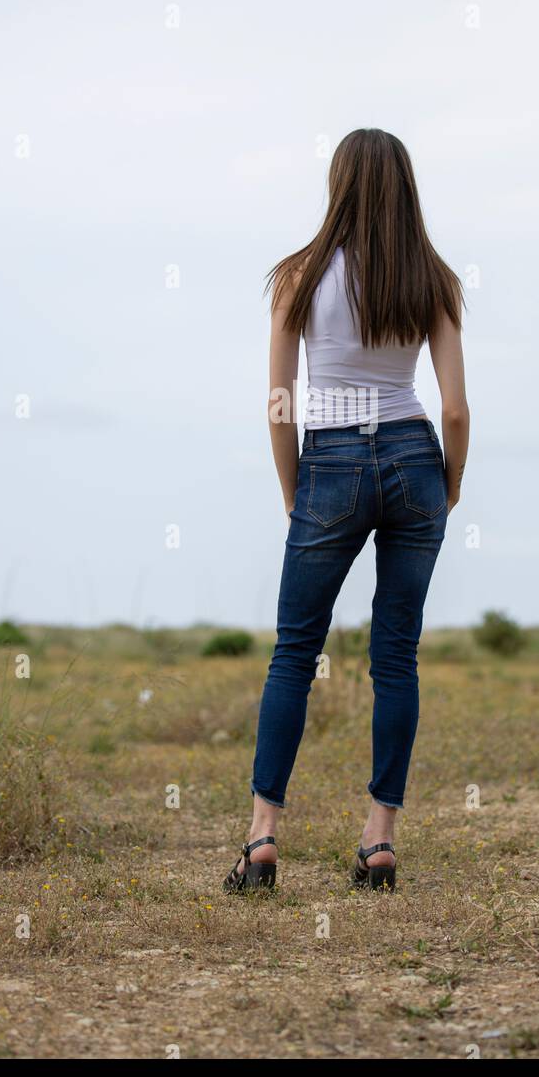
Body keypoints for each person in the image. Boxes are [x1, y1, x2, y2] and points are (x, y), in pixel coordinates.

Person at [224, 128, 470, 894]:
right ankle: (379, 841)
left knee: (294, 654)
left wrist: (297, 492)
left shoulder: (297, 274)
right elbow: (456, 411)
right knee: (395, 655)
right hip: (413, 456)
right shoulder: (432, 277)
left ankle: (263, 838)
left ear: (338, 185)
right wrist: (447, 485)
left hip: (329, 457)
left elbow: (277, 401)